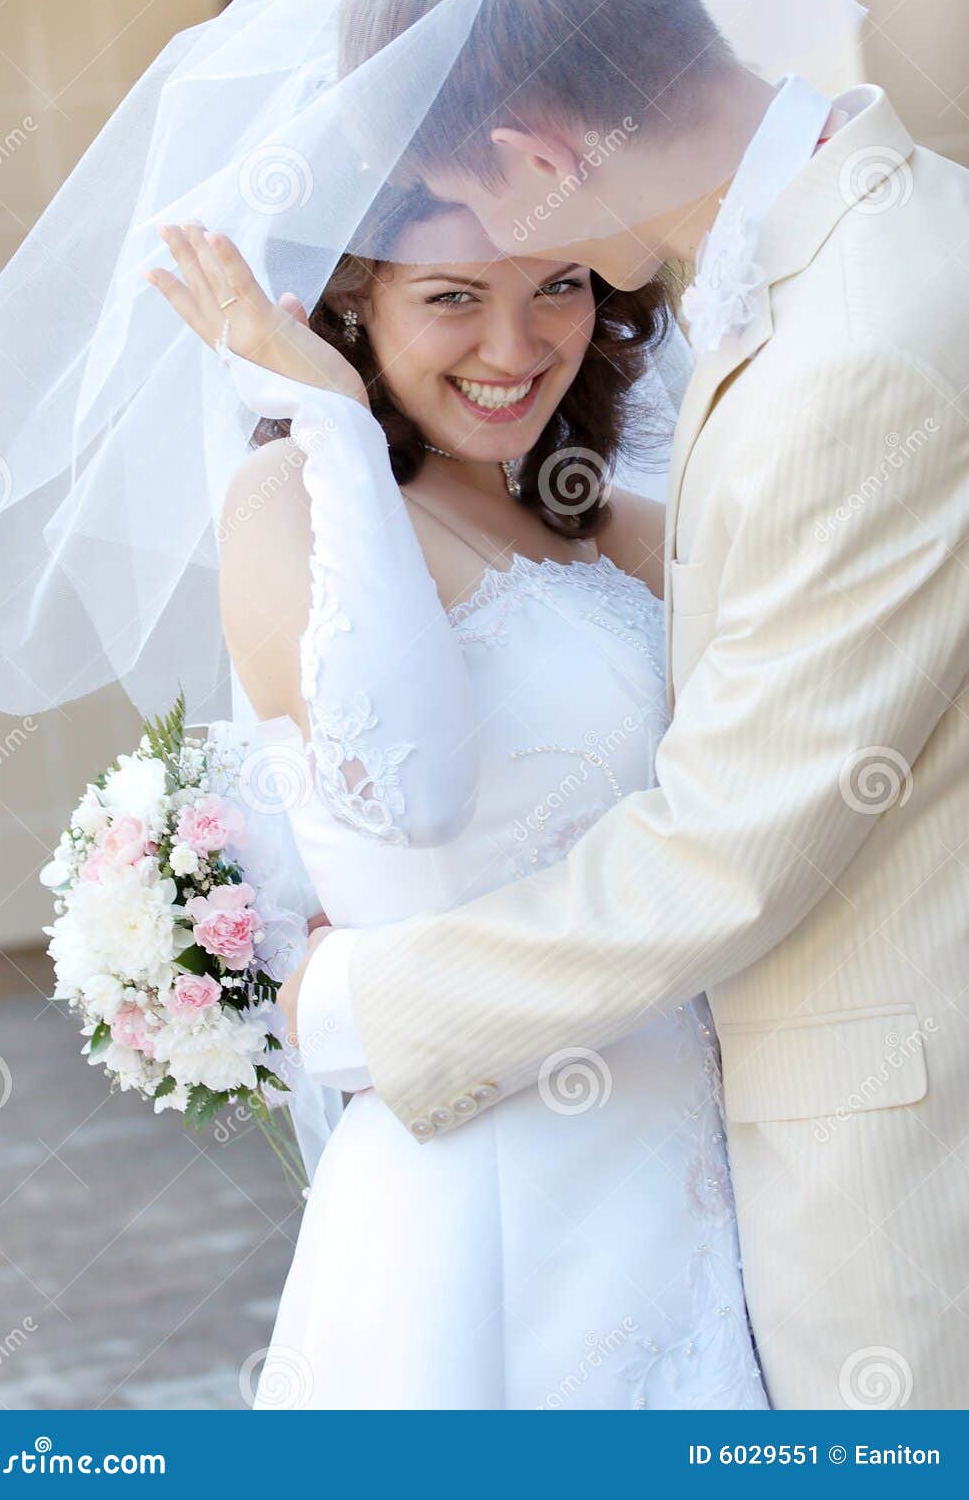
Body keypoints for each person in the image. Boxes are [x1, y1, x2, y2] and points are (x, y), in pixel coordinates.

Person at [272, 0, 969, 1410]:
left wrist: (348, 1006)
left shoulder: (852, 347)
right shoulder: (877, 248)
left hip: (895, 1200)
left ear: (528, 157)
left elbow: (728, 845)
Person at [146, 199, 768, 1409]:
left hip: (691, 1170)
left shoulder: (594, 522)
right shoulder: (288, 497)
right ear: (350, 307)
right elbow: (410, 790)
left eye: (559, 285)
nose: (516, 343)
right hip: (478, 1188)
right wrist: (331, 425)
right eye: (451, 297)